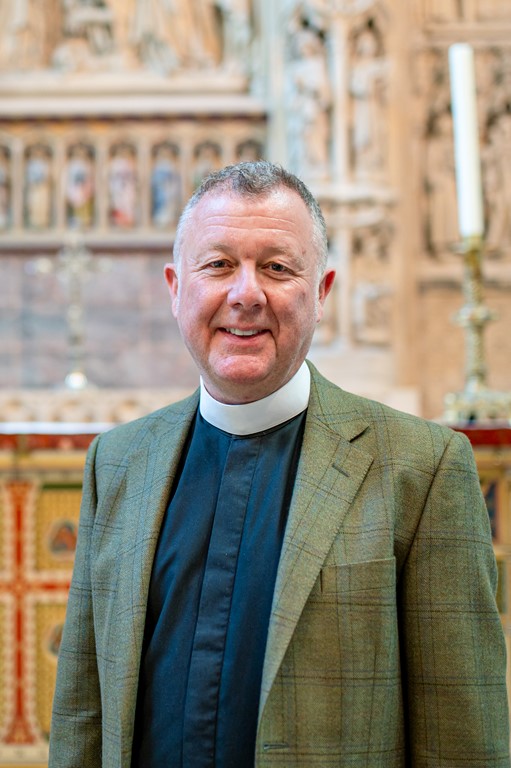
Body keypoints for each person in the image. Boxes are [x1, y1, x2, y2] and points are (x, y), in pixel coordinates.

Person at [49, 161, 509, 767]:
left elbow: (463, 740)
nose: (246, 294)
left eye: (277, 267)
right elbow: (83, 713)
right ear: (175, 288)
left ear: (321, 293)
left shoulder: (420, 470)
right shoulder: (119, 463)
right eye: (217, 265)